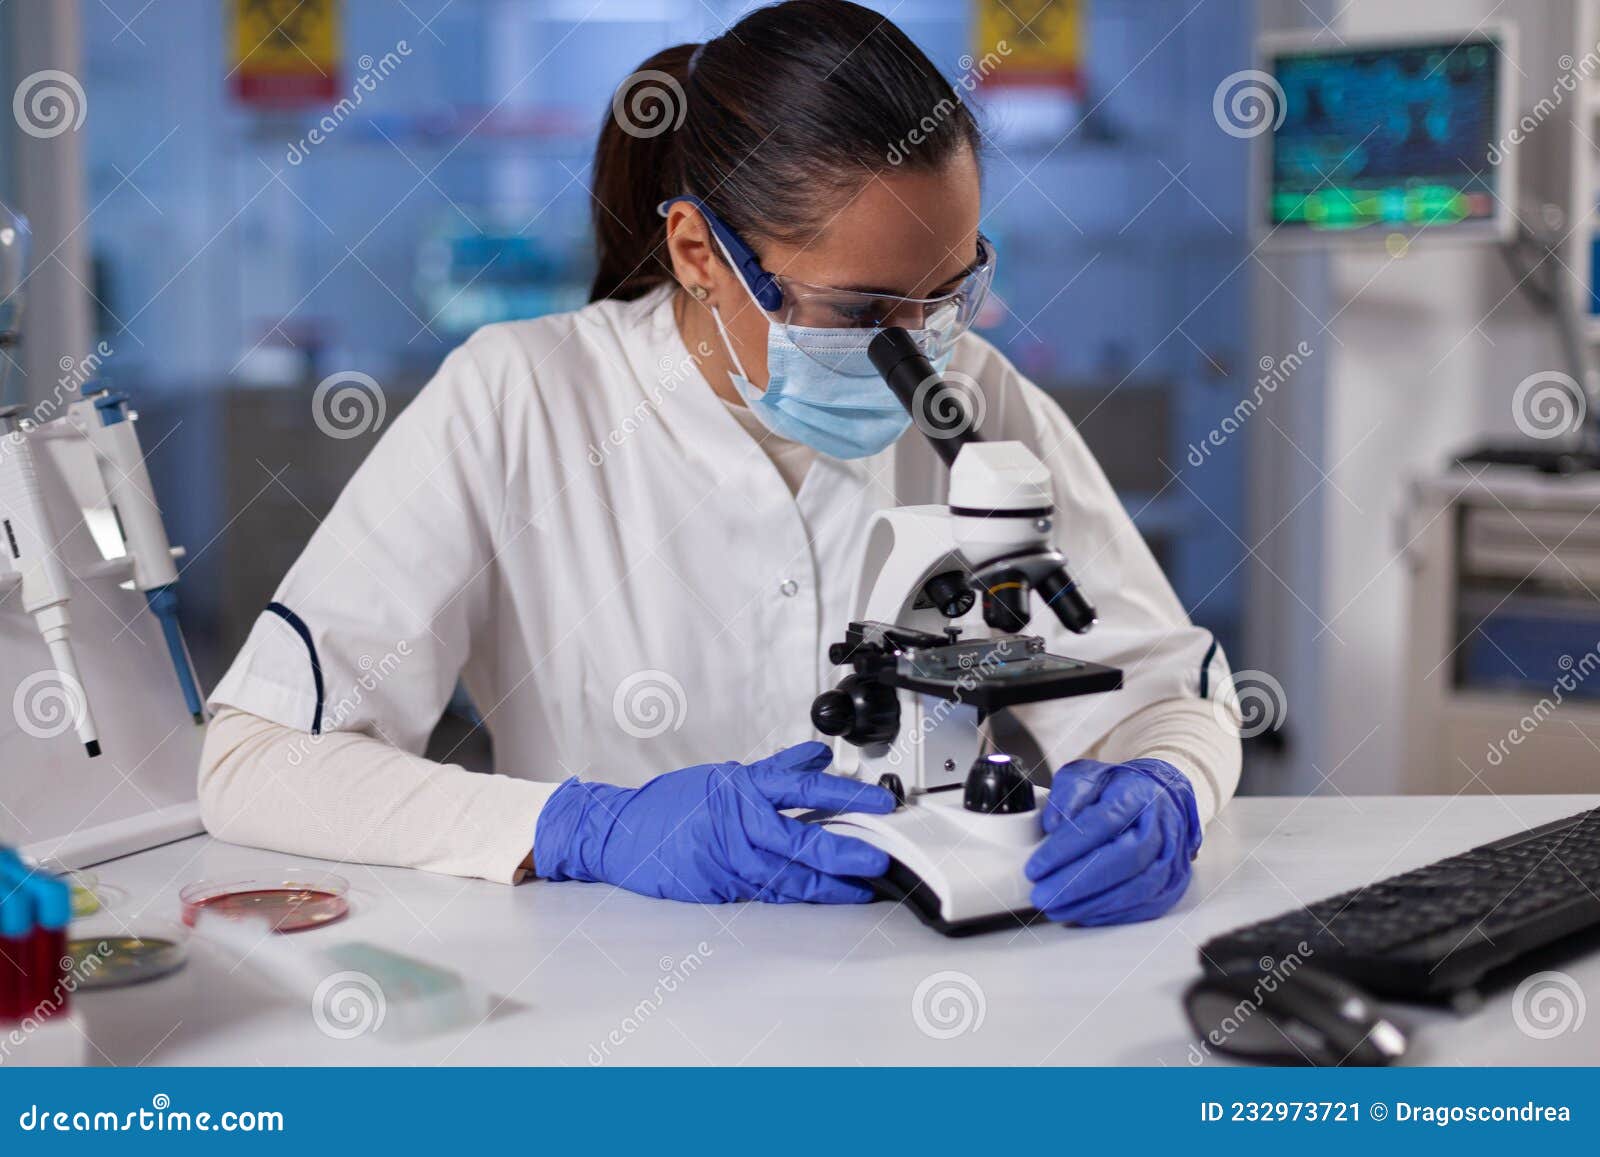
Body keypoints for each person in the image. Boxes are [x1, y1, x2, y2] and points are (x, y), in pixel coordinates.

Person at [199, 0, 1240, 926]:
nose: (918, 349)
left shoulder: (973, 388)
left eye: (948, 292)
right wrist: (583, 826)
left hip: (921, 997)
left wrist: (1165, 786)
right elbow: (254, 763)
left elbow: (1162, 687)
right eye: (864, 311)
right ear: (699, 252)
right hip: (604, 1001)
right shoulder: (519, 396)